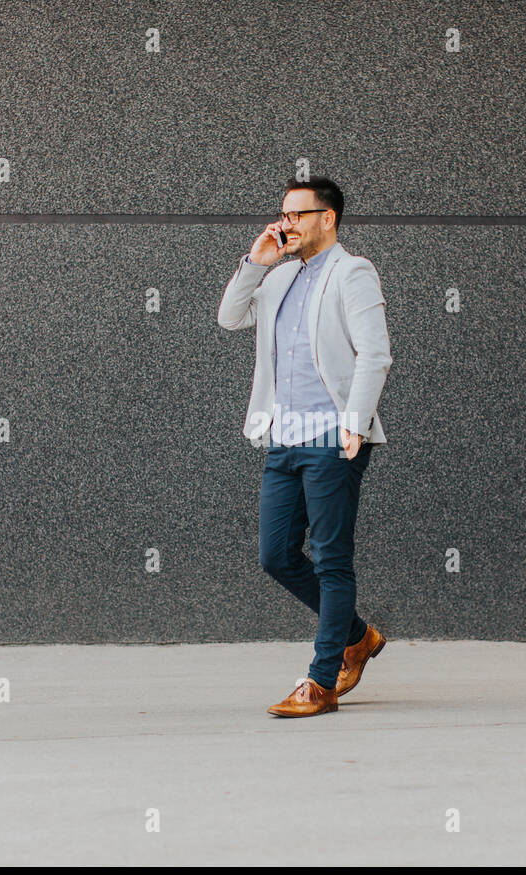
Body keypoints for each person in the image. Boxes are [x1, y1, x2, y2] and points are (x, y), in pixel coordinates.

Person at [217, 176, 393, 717]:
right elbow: (229, 318)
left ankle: (320, 682)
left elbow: (375, 354)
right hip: (284, 438)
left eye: (297, 215)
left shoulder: (353, 273)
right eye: (283, 214)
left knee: (332, 560)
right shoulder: (280, 277)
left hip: (332, 439)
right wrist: (256, 261)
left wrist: (355, 423)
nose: (286, 223)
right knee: (275, 556)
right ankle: (358, 636)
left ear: (328, 217)